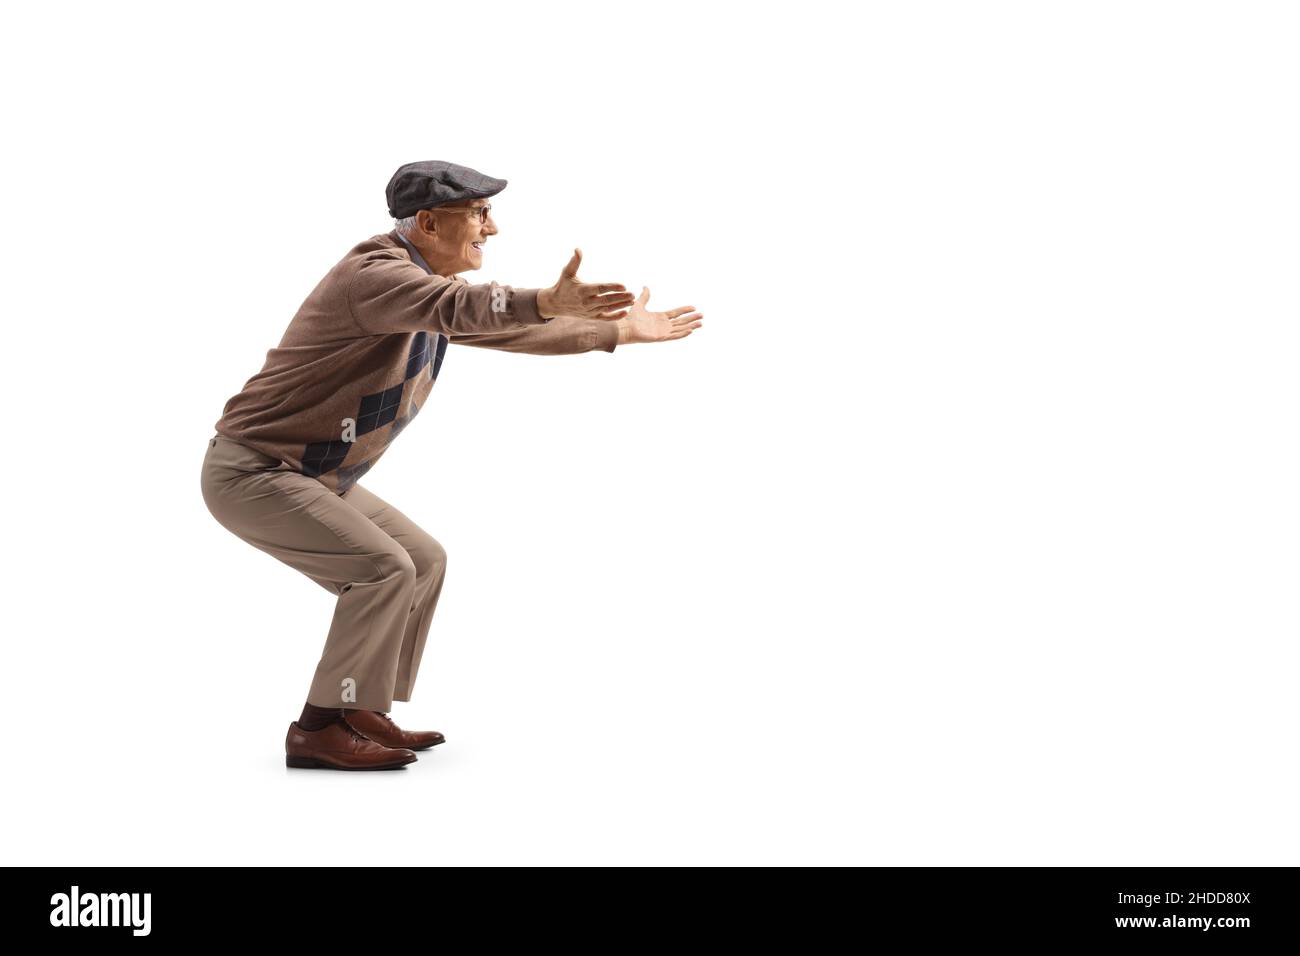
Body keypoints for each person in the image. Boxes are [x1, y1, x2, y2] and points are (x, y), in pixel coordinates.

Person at [200, 160, 703, 770]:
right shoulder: (376, 276)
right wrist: (542, 298)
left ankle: (360, 707)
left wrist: (616, 331)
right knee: (383, 567)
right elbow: (469, 308)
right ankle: (317, 728)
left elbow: (507, 330)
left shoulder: (416, 290)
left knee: (422, 560)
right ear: (430, 222)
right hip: (255, 471)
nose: (492, 229)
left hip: (311, 473)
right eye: (480, 214)